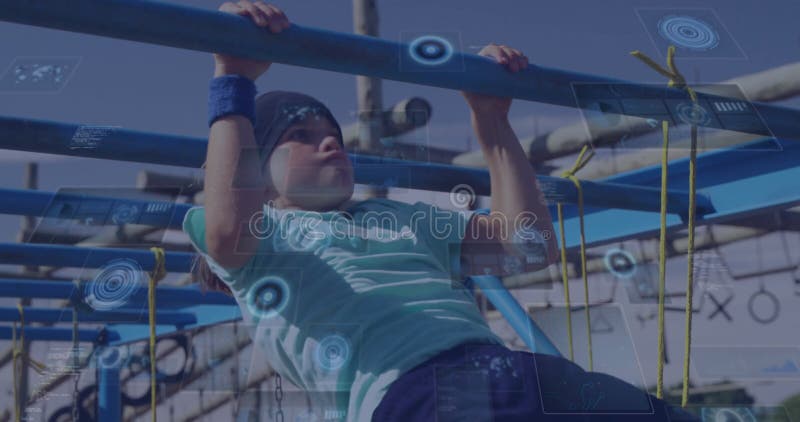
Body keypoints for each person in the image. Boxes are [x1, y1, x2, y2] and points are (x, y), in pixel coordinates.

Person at [184, 2, 700, 421]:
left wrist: (491, 120)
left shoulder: (397, 218)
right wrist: (232, 77)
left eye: (332, 137)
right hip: (407, 391)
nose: (328, 146)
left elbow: (529, 246)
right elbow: (229, 228)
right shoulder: (264, 239)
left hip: (511, 369)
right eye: (300, 137)